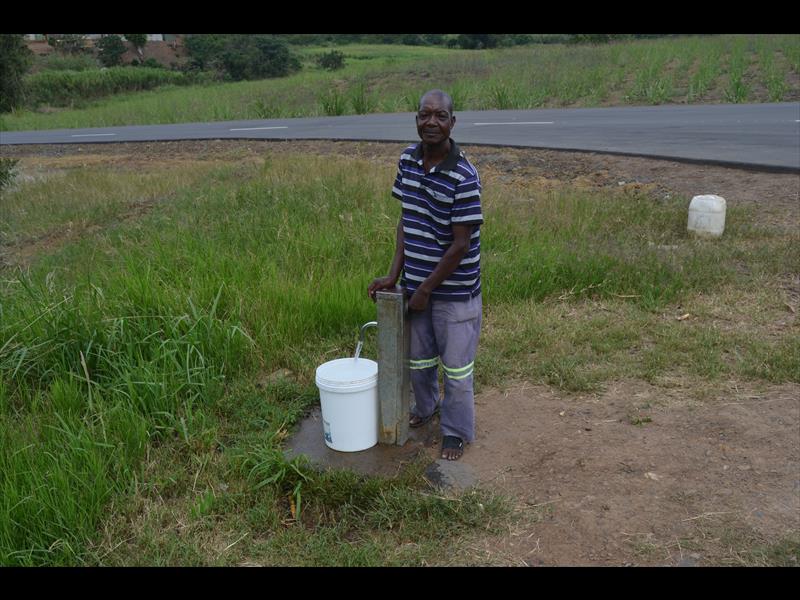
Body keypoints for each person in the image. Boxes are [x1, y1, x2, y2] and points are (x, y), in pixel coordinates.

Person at [368, 89, 483, 461]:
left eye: (440, 116)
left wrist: (426, 291)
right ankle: (426, 407)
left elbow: (461, 244)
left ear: (453, 122)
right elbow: (408, 220)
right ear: (416, 119)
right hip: (416, 286)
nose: (431, 122)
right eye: (424, 115)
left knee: (456, 368)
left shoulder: (464, 175)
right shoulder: (407, 159)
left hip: (453, 293)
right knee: (418, 360)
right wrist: (393, 276)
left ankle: (456, 432)